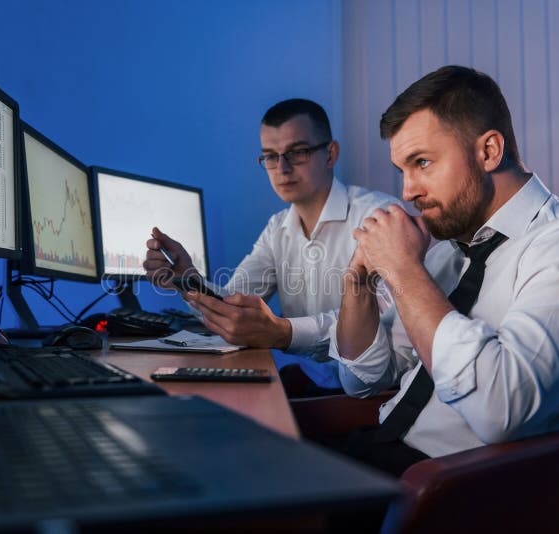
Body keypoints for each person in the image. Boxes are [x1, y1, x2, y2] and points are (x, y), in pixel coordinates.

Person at [329, 65, 559, 476]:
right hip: (381, 451)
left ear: (489, 151)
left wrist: (403, 270)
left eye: (422, 162)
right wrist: (358, 283)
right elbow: (364, 380)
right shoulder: (450, 250)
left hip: (449, 489)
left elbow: (499, 411)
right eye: (402, 171)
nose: (407, 191)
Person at [144, 98, 400, 395]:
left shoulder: (379, 218)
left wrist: (283, 332)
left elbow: (382, 319)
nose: (282, 168)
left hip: (371, 395)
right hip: (314, 382)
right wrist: (187, 278)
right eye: (270, 156)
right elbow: (234, 301)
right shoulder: (278, 228)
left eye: (298, 152)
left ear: (330, 154)